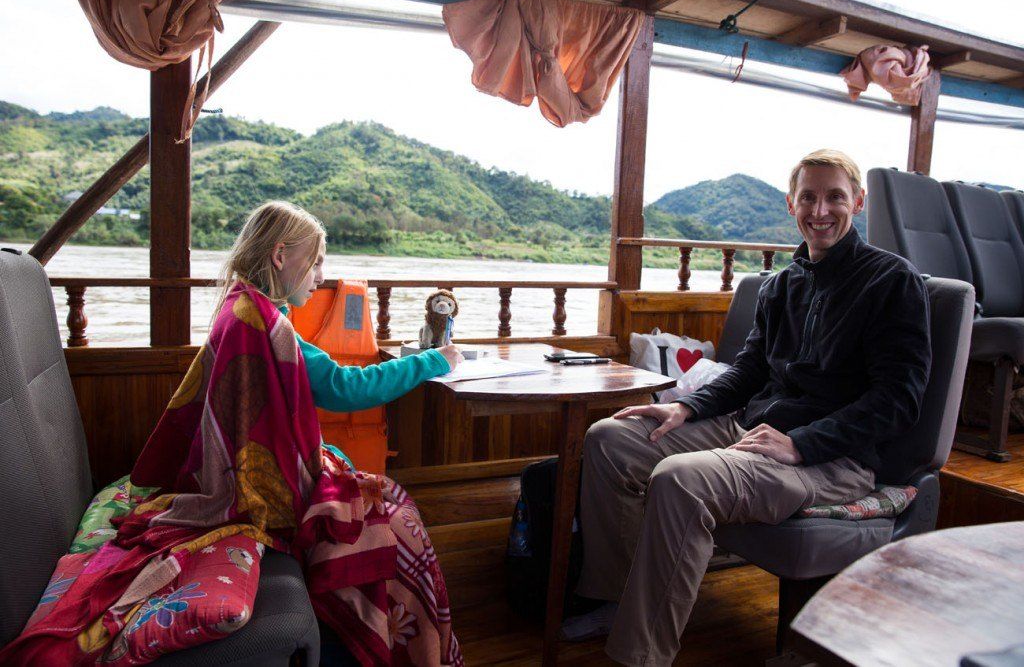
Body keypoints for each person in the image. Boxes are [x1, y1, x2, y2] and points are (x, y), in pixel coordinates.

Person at [1, 201, 465, 665]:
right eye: (316, 260)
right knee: (397, 515)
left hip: (239, 472)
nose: (321, 275)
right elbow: (347, 388)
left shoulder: (243, 308)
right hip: (248, 494)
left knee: (364, 484)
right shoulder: (264, 322)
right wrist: (436, 360)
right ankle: (411, 649)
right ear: (281, 256)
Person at [564, 149, 931, 666]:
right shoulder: (782, 285)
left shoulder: (891, 282)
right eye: (808, 196)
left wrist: (802, 444)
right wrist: (686, 409)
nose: (820, 210)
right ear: (790, 203)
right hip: (754, 430)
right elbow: (748, 371)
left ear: (858, 202)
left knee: (680, 478)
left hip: (833, 459)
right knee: (609, 440)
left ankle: (640, 655)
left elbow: (898, 401)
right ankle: (617, 598)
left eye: (834, 197)